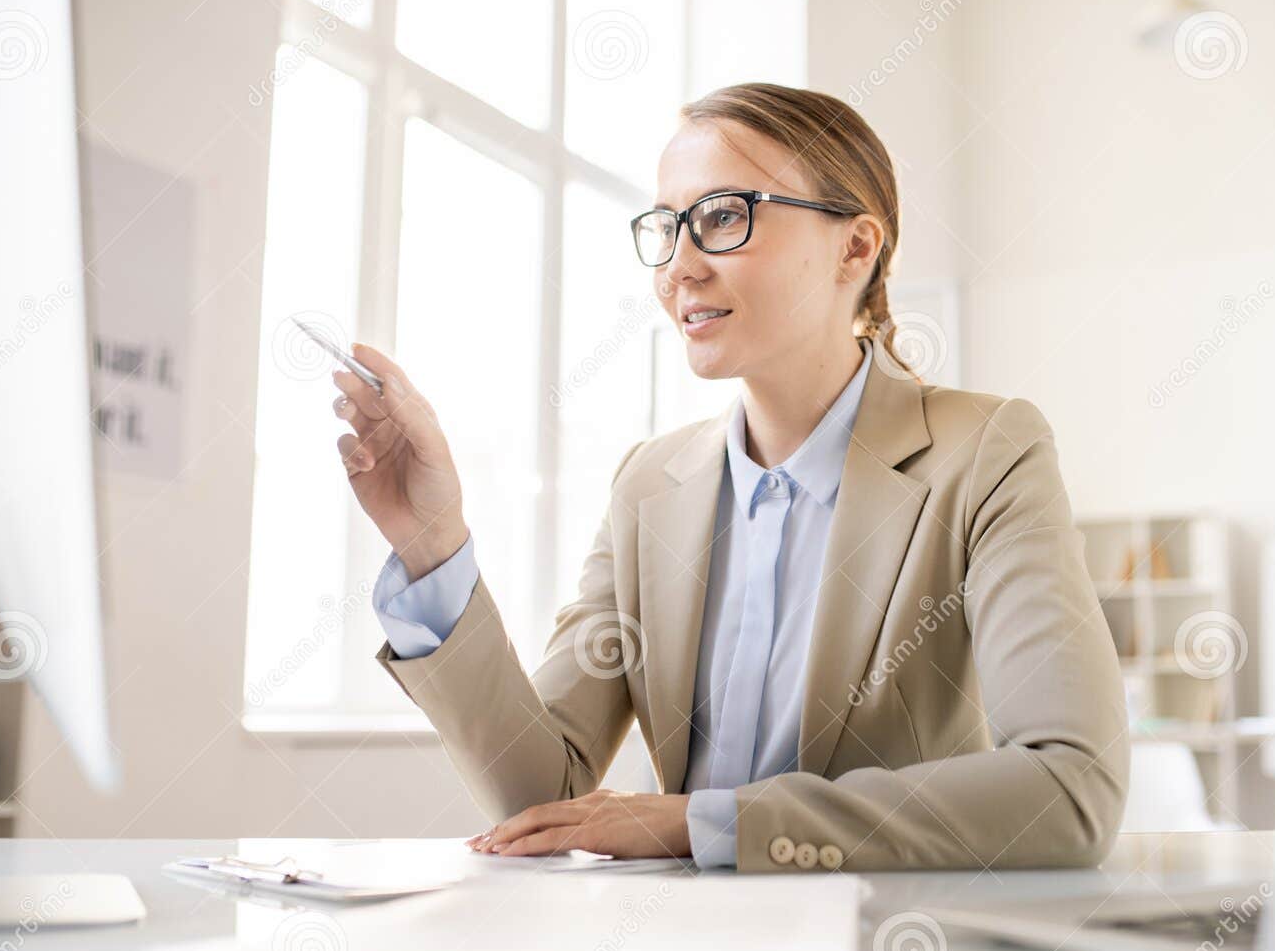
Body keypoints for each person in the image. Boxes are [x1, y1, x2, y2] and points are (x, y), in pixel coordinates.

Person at [331, 82, 1128, 873]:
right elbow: (546, 791)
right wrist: (434, 547)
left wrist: (702, 824)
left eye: (721, 217)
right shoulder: (649, 485)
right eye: (668, 227)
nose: (678, 269)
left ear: (856, 247)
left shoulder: (985, 452)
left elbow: (1068, 789)